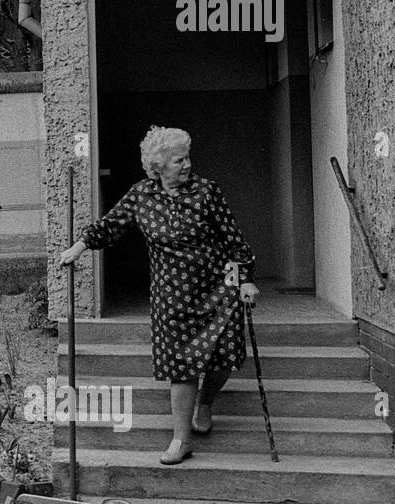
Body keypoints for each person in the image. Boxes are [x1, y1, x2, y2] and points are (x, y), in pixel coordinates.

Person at [59, 126, 259, 465]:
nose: (187, 164)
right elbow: (111, 224)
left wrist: (245, 280)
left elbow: (233, 240)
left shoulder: (207, 192)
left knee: (223, 358)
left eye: (187, 157)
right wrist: (79, 247)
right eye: (179, 160)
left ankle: (206, 402)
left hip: (217, 288)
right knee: (181, 366)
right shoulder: (141, 195)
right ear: (158, 165)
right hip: (172, 295)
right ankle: (181, 440)